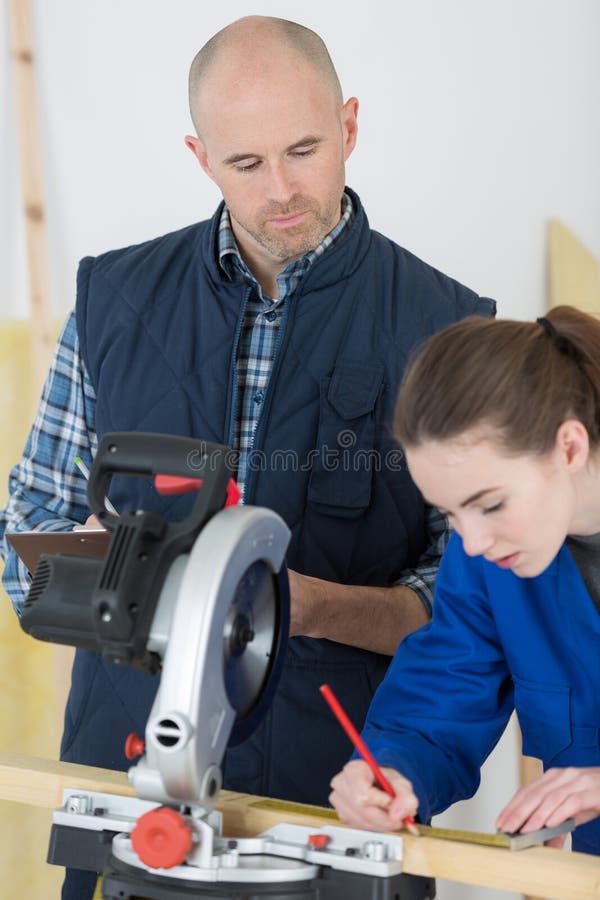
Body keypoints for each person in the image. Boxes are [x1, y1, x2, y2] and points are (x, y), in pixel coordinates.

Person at [0, 15, 494, 898]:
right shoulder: (112, 299)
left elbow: (471, 609)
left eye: (304, 148)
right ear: (199, 156)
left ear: (349, 125)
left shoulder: (449, 329)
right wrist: (97, 577)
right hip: (130, 804)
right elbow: (22, 538)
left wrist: (312, 608)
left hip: (340, 817)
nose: (281, 191)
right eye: (246, 163)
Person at [329, 305, 600, 856]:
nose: (471, 542)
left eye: (490, 504)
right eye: (450, 514)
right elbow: (439, 703)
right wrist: (388, 778)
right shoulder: (487, 561)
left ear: (569, 447)